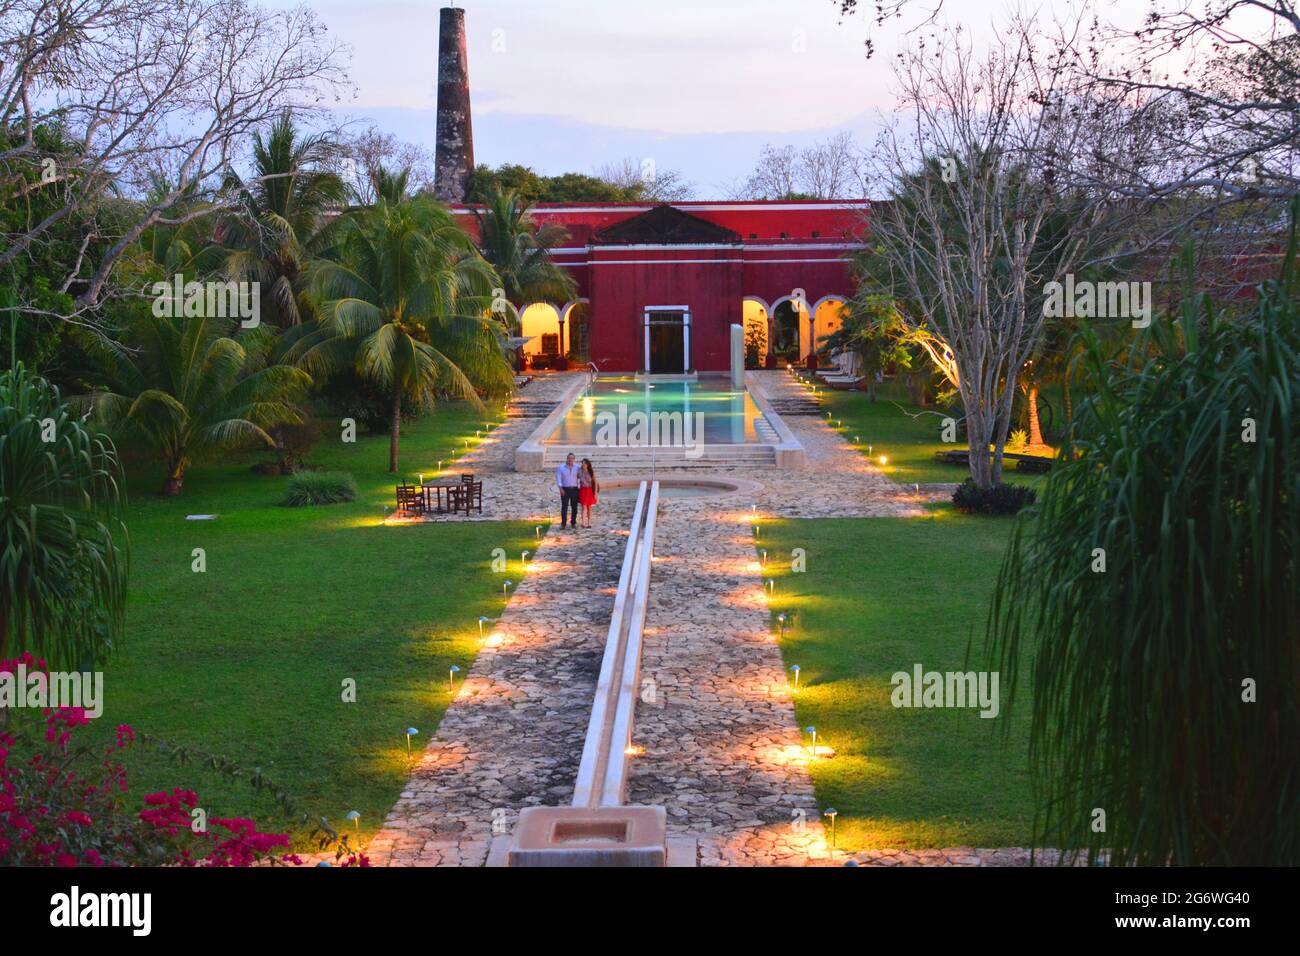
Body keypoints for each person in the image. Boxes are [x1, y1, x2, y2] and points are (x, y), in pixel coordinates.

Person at [555, 452, 581, 530]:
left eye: (572, 458)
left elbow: (581, 477)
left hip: (574, 490)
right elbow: (558, 479)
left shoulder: (577, 467)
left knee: (574, 507)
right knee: (564, 507)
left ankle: (573, 522)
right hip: (565, 489)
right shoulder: (561, 468)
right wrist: (560, 488)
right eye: (569, 458)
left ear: (574, 459)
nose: (570, 460)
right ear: (567, 459)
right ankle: (563, 523)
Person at [578, 458, 599, 529]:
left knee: (589, 507)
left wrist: (595, 492)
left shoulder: (591, 472)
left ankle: (589, 523)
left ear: (587, 464)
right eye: (582, 463)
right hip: (583, 490)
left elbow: (595, 482)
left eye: (585, 463)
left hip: (590, 490)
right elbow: (575, 479)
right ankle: (583, 523)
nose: (583, 464)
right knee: (583, 507)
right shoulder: (579, 471)